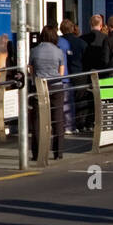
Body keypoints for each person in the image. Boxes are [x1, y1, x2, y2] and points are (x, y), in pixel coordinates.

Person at [27, 25, 67, 160]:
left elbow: (31, 70)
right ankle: (58, 152)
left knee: (38, 120)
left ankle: (37, 153)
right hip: (56, 87)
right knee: (58, 119)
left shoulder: (34, 51)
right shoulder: (58, 51)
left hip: (39, 87)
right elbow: (61, 71)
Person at [60, 19, 90, 132]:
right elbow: (86, 59)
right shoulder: (81, 42)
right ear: (73, 28)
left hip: (65, 76)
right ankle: (79, 124)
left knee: (65, 102)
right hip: (80, 74)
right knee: (80, 100)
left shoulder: (59, 42)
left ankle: (67, 124)